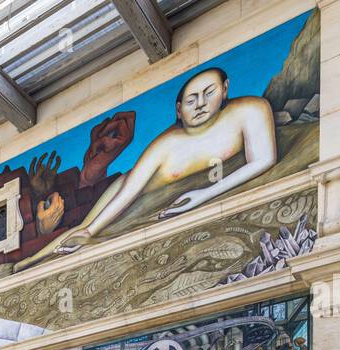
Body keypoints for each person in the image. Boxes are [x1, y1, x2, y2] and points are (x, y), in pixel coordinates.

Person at [21, 66, 277, 266]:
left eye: (208, 93)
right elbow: (129, 191)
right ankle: (29, 263)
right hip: (130, 187)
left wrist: (202, 195)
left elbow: (264, 159)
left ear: (225, 89)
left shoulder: (251, 110)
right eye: (191, 100)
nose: (200, 104)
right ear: (178, 110)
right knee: (82, 229)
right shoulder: (166, 143)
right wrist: (91, 231)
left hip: (171, 191)